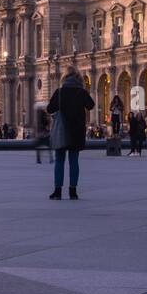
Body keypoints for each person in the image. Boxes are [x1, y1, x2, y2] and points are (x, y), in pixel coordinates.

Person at [46, 67, 95, 199]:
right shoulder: (81, 92)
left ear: (64, 78)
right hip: (77, 132)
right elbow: (91, 105)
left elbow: (50, 109)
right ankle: (73, 191)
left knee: (59, 161)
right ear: (78, 78)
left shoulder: (60, 92)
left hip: (62, 131)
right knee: (74, 161)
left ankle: (57, 191)